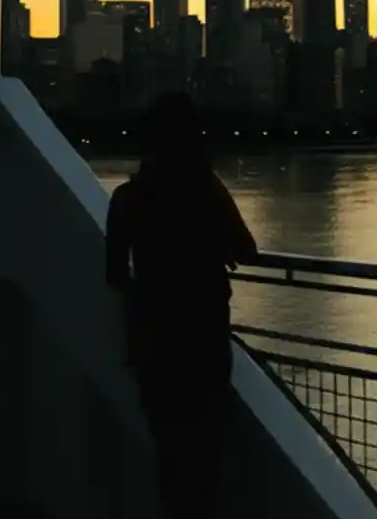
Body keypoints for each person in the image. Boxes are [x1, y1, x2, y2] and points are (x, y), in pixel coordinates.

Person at [105, 92, 257, 519]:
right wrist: (212, 247)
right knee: (206, 454)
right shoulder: (207, 189)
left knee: (169, 454)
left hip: (153, 341)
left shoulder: (126, 199)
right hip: (204, 336)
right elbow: (246, 249)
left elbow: (116, 275)